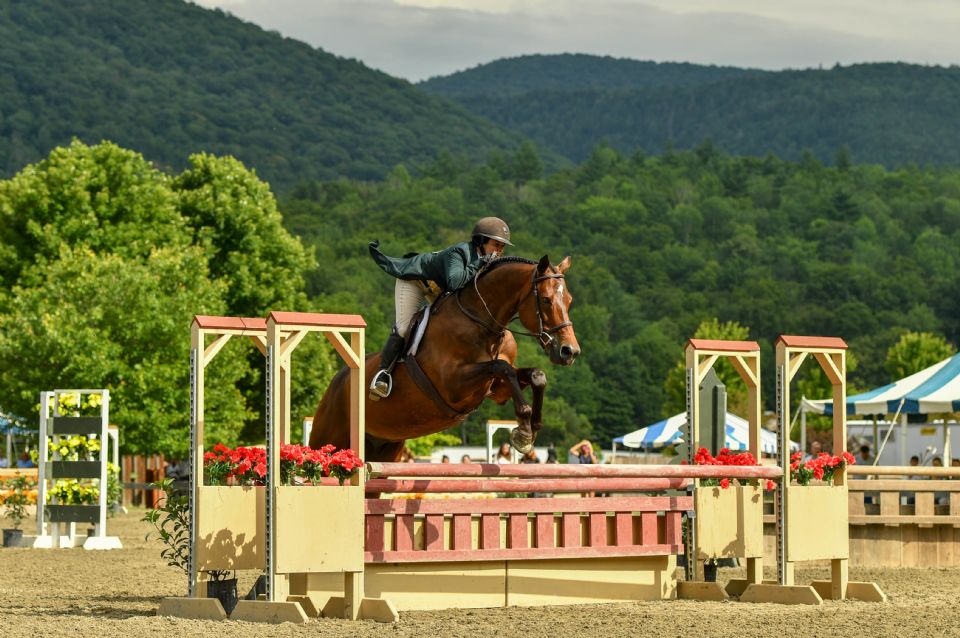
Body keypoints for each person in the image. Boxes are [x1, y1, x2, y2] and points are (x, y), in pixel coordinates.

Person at [367, 217, 513, 400]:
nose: (499, 251)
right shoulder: (459, 252)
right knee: (404, 327)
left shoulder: (488, 262)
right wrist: (480, 263)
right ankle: (383, 375)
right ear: (481, 242)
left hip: (440, 288)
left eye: (502, 247)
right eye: (496, 245)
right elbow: (455, 282)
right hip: (415, 282)